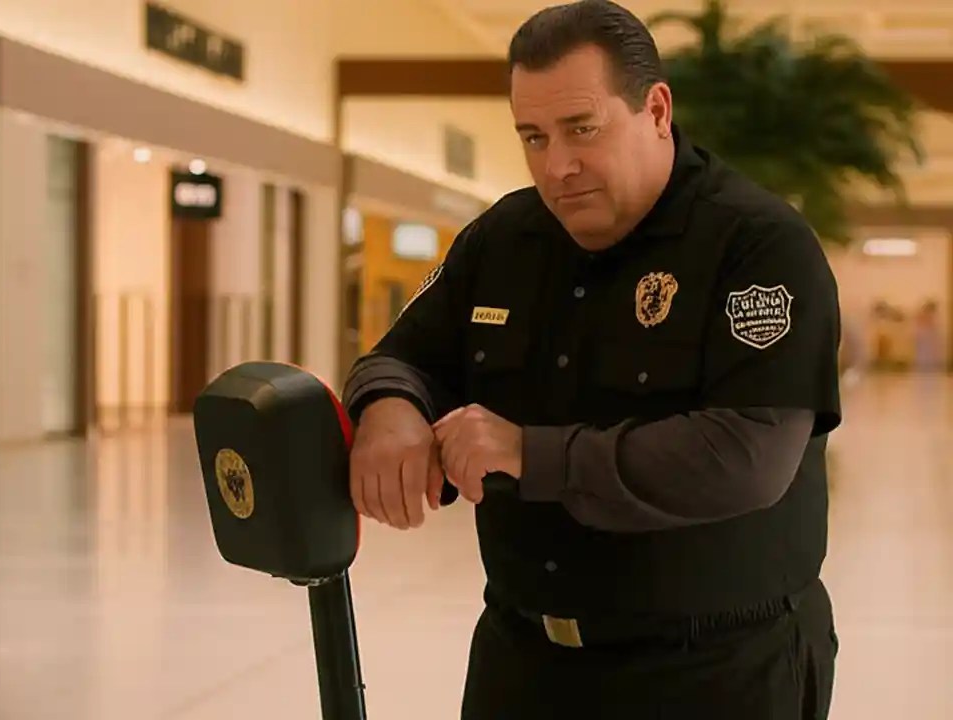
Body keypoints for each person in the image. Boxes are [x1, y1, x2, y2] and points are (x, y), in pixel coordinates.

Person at [340, 1, 842, 718]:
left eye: (582, 129)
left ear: (657, 110)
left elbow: (748, 454)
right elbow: (403, 357)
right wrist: (389, 411)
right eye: (533, 137)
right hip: (524, 665)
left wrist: (528, 453)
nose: (558, 166)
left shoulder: (757, 245)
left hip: (715, 673)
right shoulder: (503, 238)